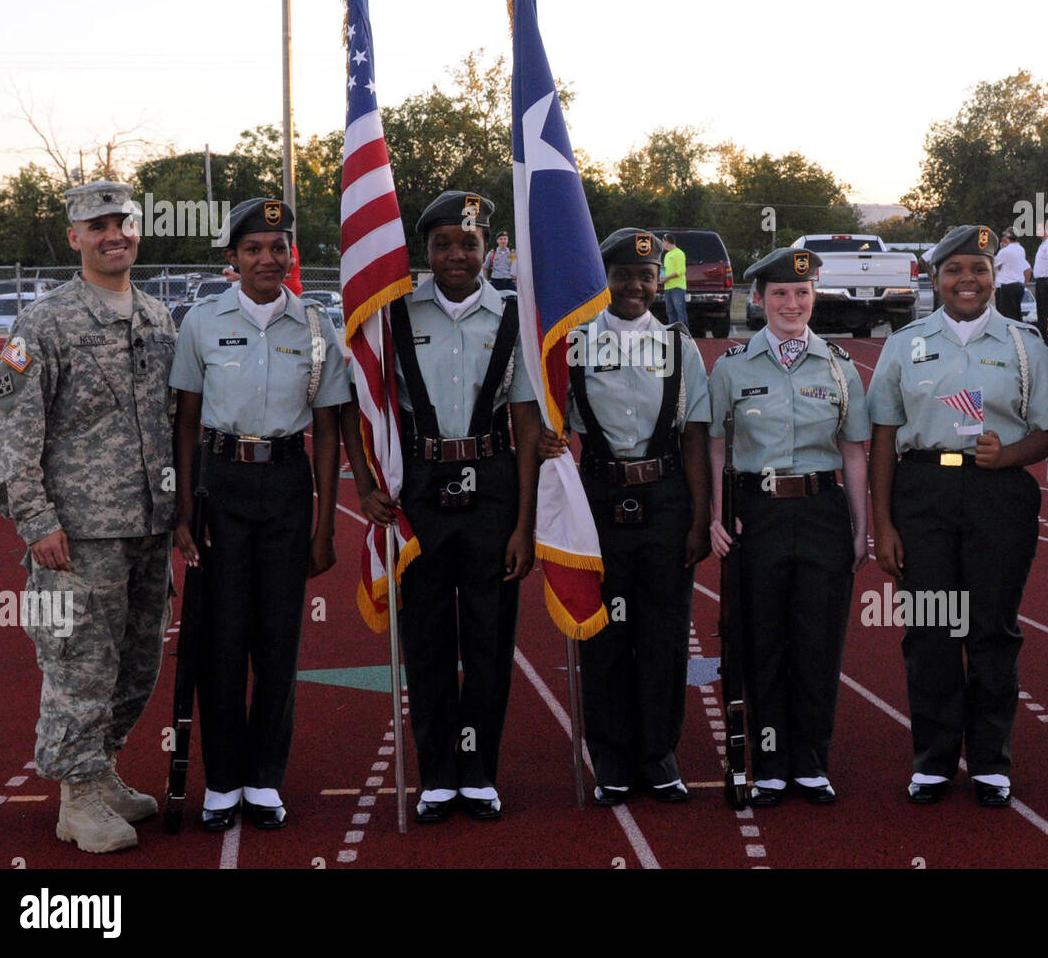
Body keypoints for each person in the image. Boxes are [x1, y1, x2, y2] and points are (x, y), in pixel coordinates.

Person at [0, 180, 177, 853]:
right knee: (77, 666)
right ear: (74, 237)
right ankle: (75, 797)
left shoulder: (157, 317)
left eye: (121, 222)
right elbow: (10, 433)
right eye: (97, 226)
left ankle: (103, 770)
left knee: (136, 665)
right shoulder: (44, 323)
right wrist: (37, 522)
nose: (113, 234)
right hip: (77, 535)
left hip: (148, 527)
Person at [343, 190, 540, 823]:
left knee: (488, 638)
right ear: (424, 252)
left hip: (492, 484)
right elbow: (361, 407)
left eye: (469, 244)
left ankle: (479, 771)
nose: (456, 255)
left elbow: (527, 422)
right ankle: (436, 775)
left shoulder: (513, 318)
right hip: (420, 487)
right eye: (443, 244)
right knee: (426, 638)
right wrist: (368, 485)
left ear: (489, 250)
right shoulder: (392, 316)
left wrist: (524, 524)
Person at [867, 225, 1048, 807]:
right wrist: (883, 523)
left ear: (994, 275)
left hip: (997, 495)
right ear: (935, 280)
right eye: (955, 270)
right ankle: (933, 759)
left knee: (991, 630)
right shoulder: (904, 344)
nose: (968, 280)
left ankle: (990, 761)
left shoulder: (1025, 343)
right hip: (923, 492)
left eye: (978, 269)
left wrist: (1009, 455)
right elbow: (883, 437)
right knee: (931, 629)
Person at [170, 198, 350, 832]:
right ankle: (221, 781)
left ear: (291, 256)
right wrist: (183, 510)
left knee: (278, 642)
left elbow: (327, 431)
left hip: (283, 484)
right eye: (254, 249)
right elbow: (186, 421)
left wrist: (325, 525)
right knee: (221, 640)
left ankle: (263, 778)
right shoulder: (198, 321)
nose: (268, 259)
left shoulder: (316, 326)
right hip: (220, 486)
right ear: (233, 258)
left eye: (279, 248)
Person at [538, 229, 712, 804]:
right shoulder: (575, 344)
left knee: (663, 638)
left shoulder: (679, 345)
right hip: (599, 505)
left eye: (646, 276)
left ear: (659, 281)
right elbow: (555, 424)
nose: (636, 285)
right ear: (603, 279)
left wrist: (697, 517)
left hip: (665, 503)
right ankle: (610, 760)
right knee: (606, 637)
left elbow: (693, 436)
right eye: (623, 275)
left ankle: (658, 757)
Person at [707, 247, 870, 806]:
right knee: (762, 640)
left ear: (814, 297)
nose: (791, 303)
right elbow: (715, 445)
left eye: (802, 293)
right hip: (759, 514)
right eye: (779, 293)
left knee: (817, 640)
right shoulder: (731, 366)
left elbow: (853, 452)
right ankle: (770, 762)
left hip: (823, 512)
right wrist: (714, 513)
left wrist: (859, 525)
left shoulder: (840, 366)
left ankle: (810, 762)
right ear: (758, 300)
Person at [993, 228, 1031, 321]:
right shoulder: (1021, 249)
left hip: (1008, 286)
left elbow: (994, 264)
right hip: (1018, 285)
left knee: (1007, 315)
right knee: (1017, 313)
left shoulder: (1005, 251)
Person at [660, 233, 689, 328]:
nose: (662, 244)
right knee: (670, 312)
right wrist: (661, 276)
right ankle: (672, 337)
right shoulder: (667, 255)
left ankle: (684, 336)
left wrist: (667, 278)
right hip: (668, 287)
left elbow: (681, 270)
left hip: (677, 287)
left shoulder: (679, 253)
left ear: (667, 242)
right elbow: (665, 269)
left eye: (663, 241)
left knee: (680, 311)